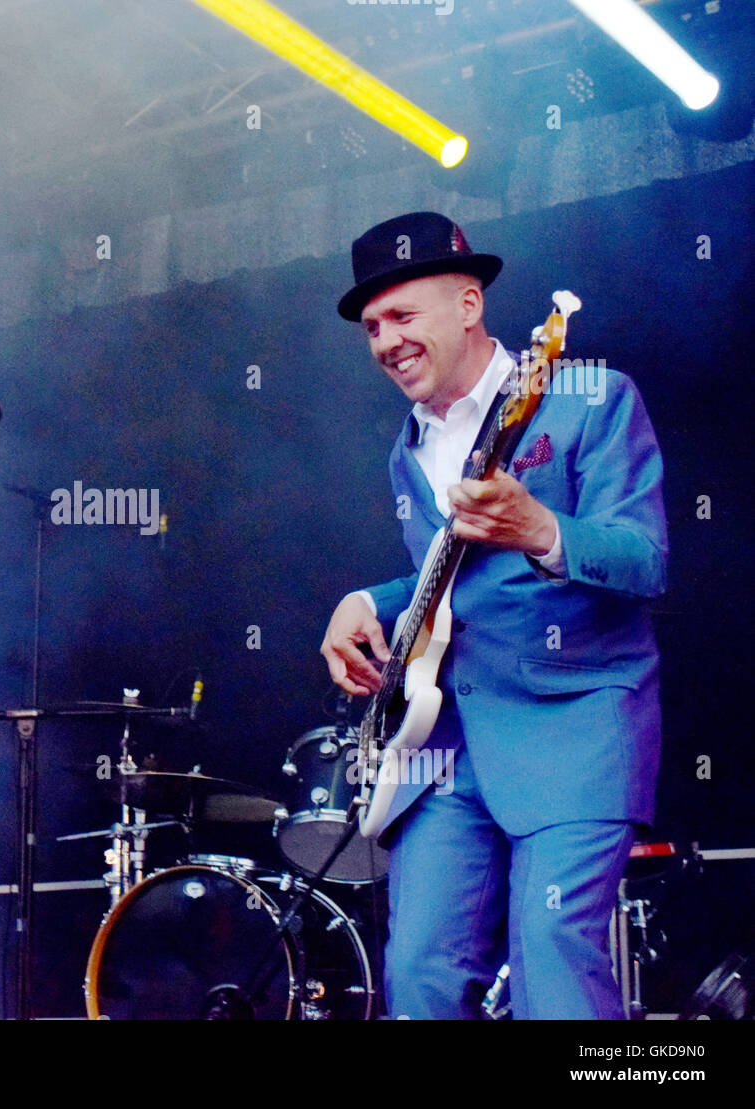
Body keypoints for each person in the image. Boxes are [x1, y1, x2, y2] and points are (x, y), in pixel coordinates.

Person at [320, 212, 667, 1019]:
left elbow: (645, 558)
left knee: (553, 963)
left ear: (470, 304)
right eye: (372, 327)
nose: (385, 341)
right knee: (417, 976)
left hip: (574, 725)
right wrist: (367, 601)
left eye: (403, 315)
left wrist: (542, 529)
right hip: (446, 748)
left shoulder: (589, 398)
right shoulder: (405, 449)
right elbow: (452, 579)